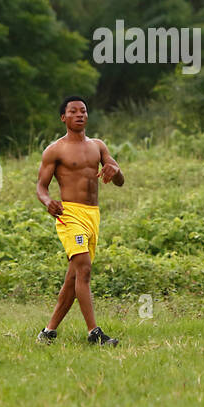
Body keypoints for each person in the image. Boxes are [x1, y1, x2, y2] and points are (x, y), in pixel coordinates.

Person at [35, 95, 125, 346]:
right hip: (69, 214)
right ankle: (94, 333)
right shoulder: (55, 149)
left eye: (83, 111)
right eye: (73, 111)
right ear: (63, 117)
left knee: (74, 277)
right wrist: (47, 202)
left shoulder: (98, 146)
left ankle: (48, 332)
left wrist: (115, 171)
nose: (79, 115)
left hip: (92, 215)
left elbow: (120, 180)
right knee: (84, 268)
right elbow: (41, 187)